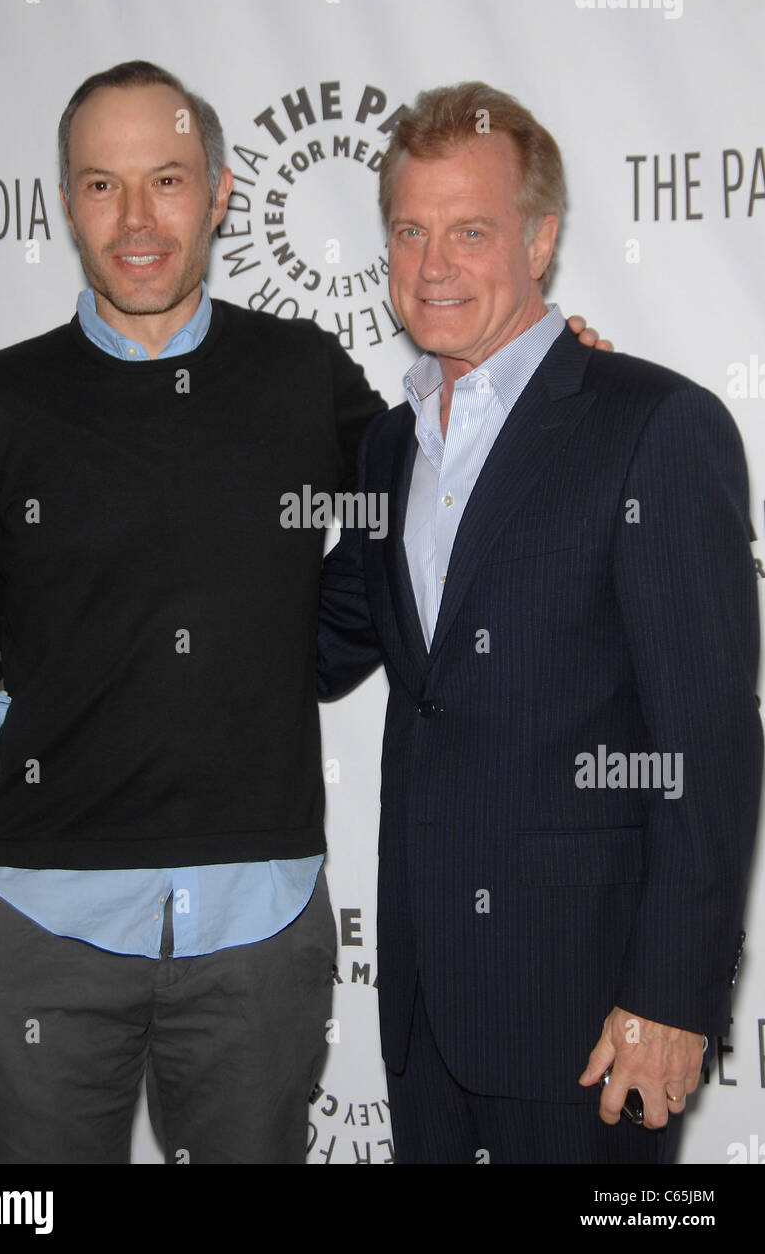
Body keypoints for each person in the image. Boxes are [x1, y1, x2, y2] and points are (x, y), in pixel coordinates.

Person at [0, 61, 600, 1166]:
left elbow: (429, 495)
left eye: (167, 178)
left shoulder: (301, 373)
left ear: (220, 192)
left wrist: (548, 377)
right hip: (40, 933)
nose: (136, 219)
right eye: (102, 185)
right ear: (67, 200)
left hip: (260, 933)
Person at [317, 81, 762, 1165]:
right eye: (409, 231)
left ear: (540, 238)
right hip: (422, 1014)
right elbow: (311, 645)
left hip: (589, 1019)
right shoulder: (386, 449)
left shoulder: (651, 424)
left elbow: (704, 744)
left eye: (469, 232)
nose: (431, 265)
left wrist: (671, 994)